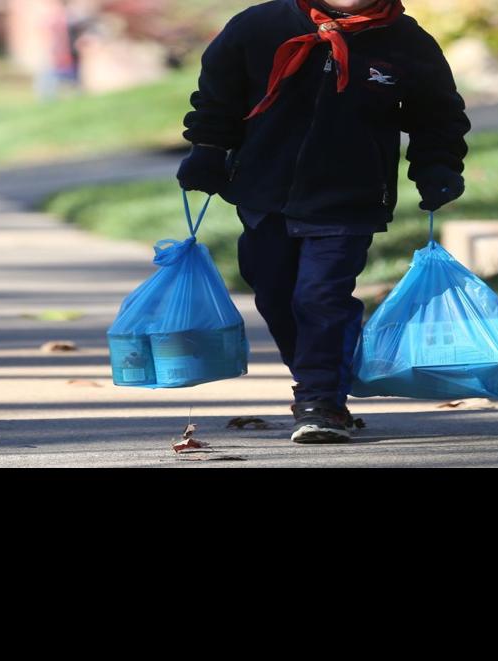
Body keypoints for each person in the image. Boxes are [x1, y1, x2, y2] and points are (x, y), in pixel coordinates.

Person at [177, 0, 469, 444]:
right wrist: (208, 151)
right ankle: (324, 376)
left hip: (349, 196)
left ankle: (319, 400)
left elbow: (438, 116)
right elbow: (219, 97)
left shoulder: (406, 41)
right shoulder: (258, 26)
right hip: (264, 191)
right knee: (274, 293)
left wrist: (437, 166)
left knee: (321, 296)